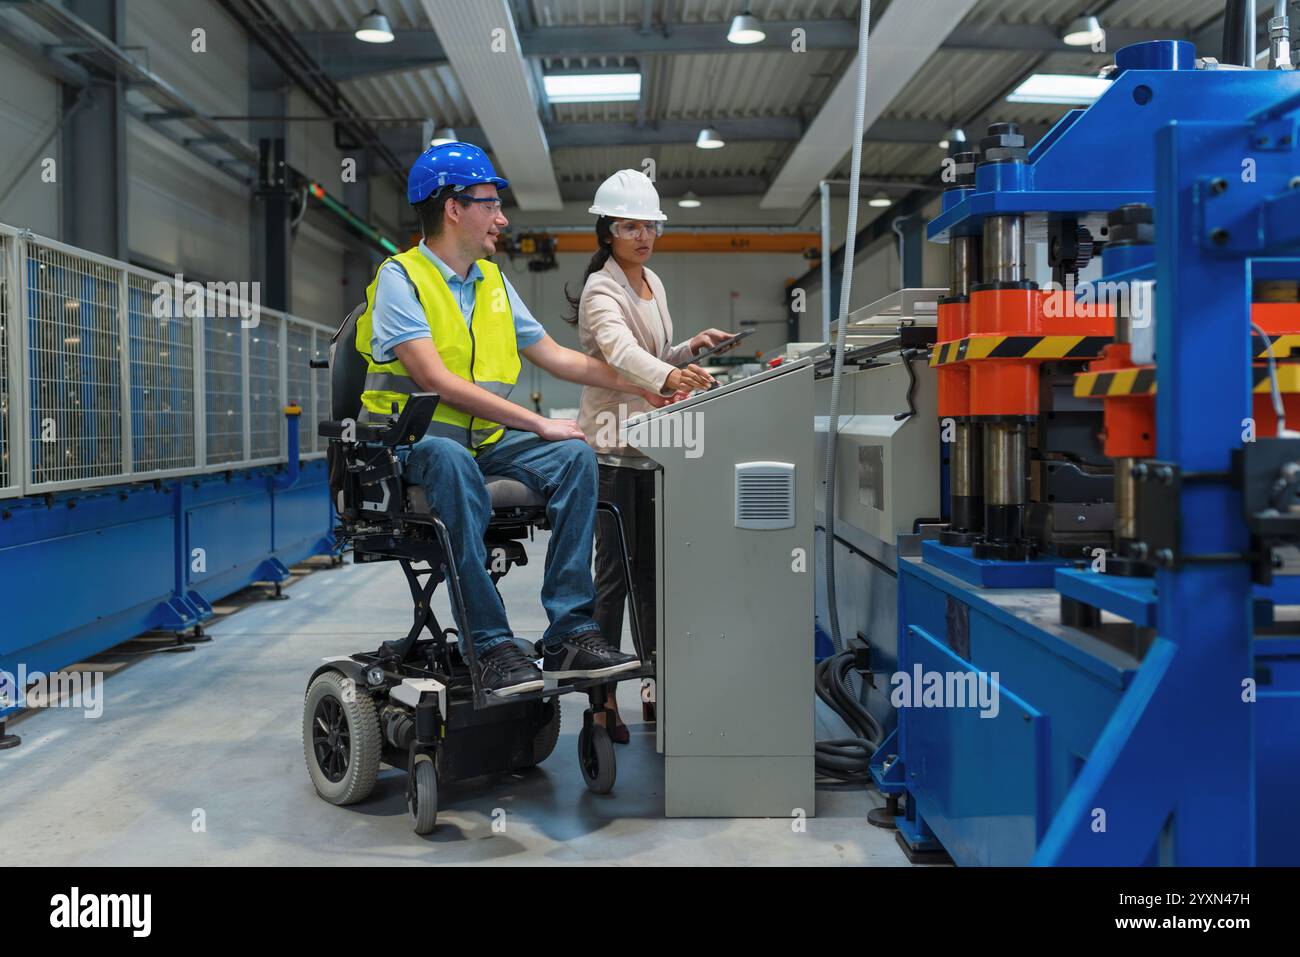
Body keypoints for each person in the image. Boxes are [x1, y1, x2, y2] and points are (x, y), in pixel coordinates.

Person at [356, 143, 669, 697]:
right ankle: (491, 643)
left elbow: (559, 357)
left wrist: (653, 380)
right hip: (415, 447)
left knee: (575, 455)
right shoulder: (400, 281)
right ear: (454, 208)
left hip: (485, 444)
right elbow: (435, 380)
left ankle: (570, 632)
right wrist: (536, 420)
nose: (501, 218)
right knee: (457, 457)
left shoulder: (493, 283)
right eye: (490, 204)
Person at [565, 169, 735, 742]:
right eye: (631, 225)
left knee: (656, 576)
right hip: (612, 450)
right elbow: (618, 350)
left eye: (651, 226)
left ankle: (655, 684)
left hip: (655, 449)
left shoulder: (653, 283)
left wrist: (690, 347)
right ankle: (601, 699)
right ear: (608, 231)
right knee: (612, 578)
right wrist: (669, 373)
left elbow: (655, 350)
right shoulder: (600, 291)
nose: (644, 235)